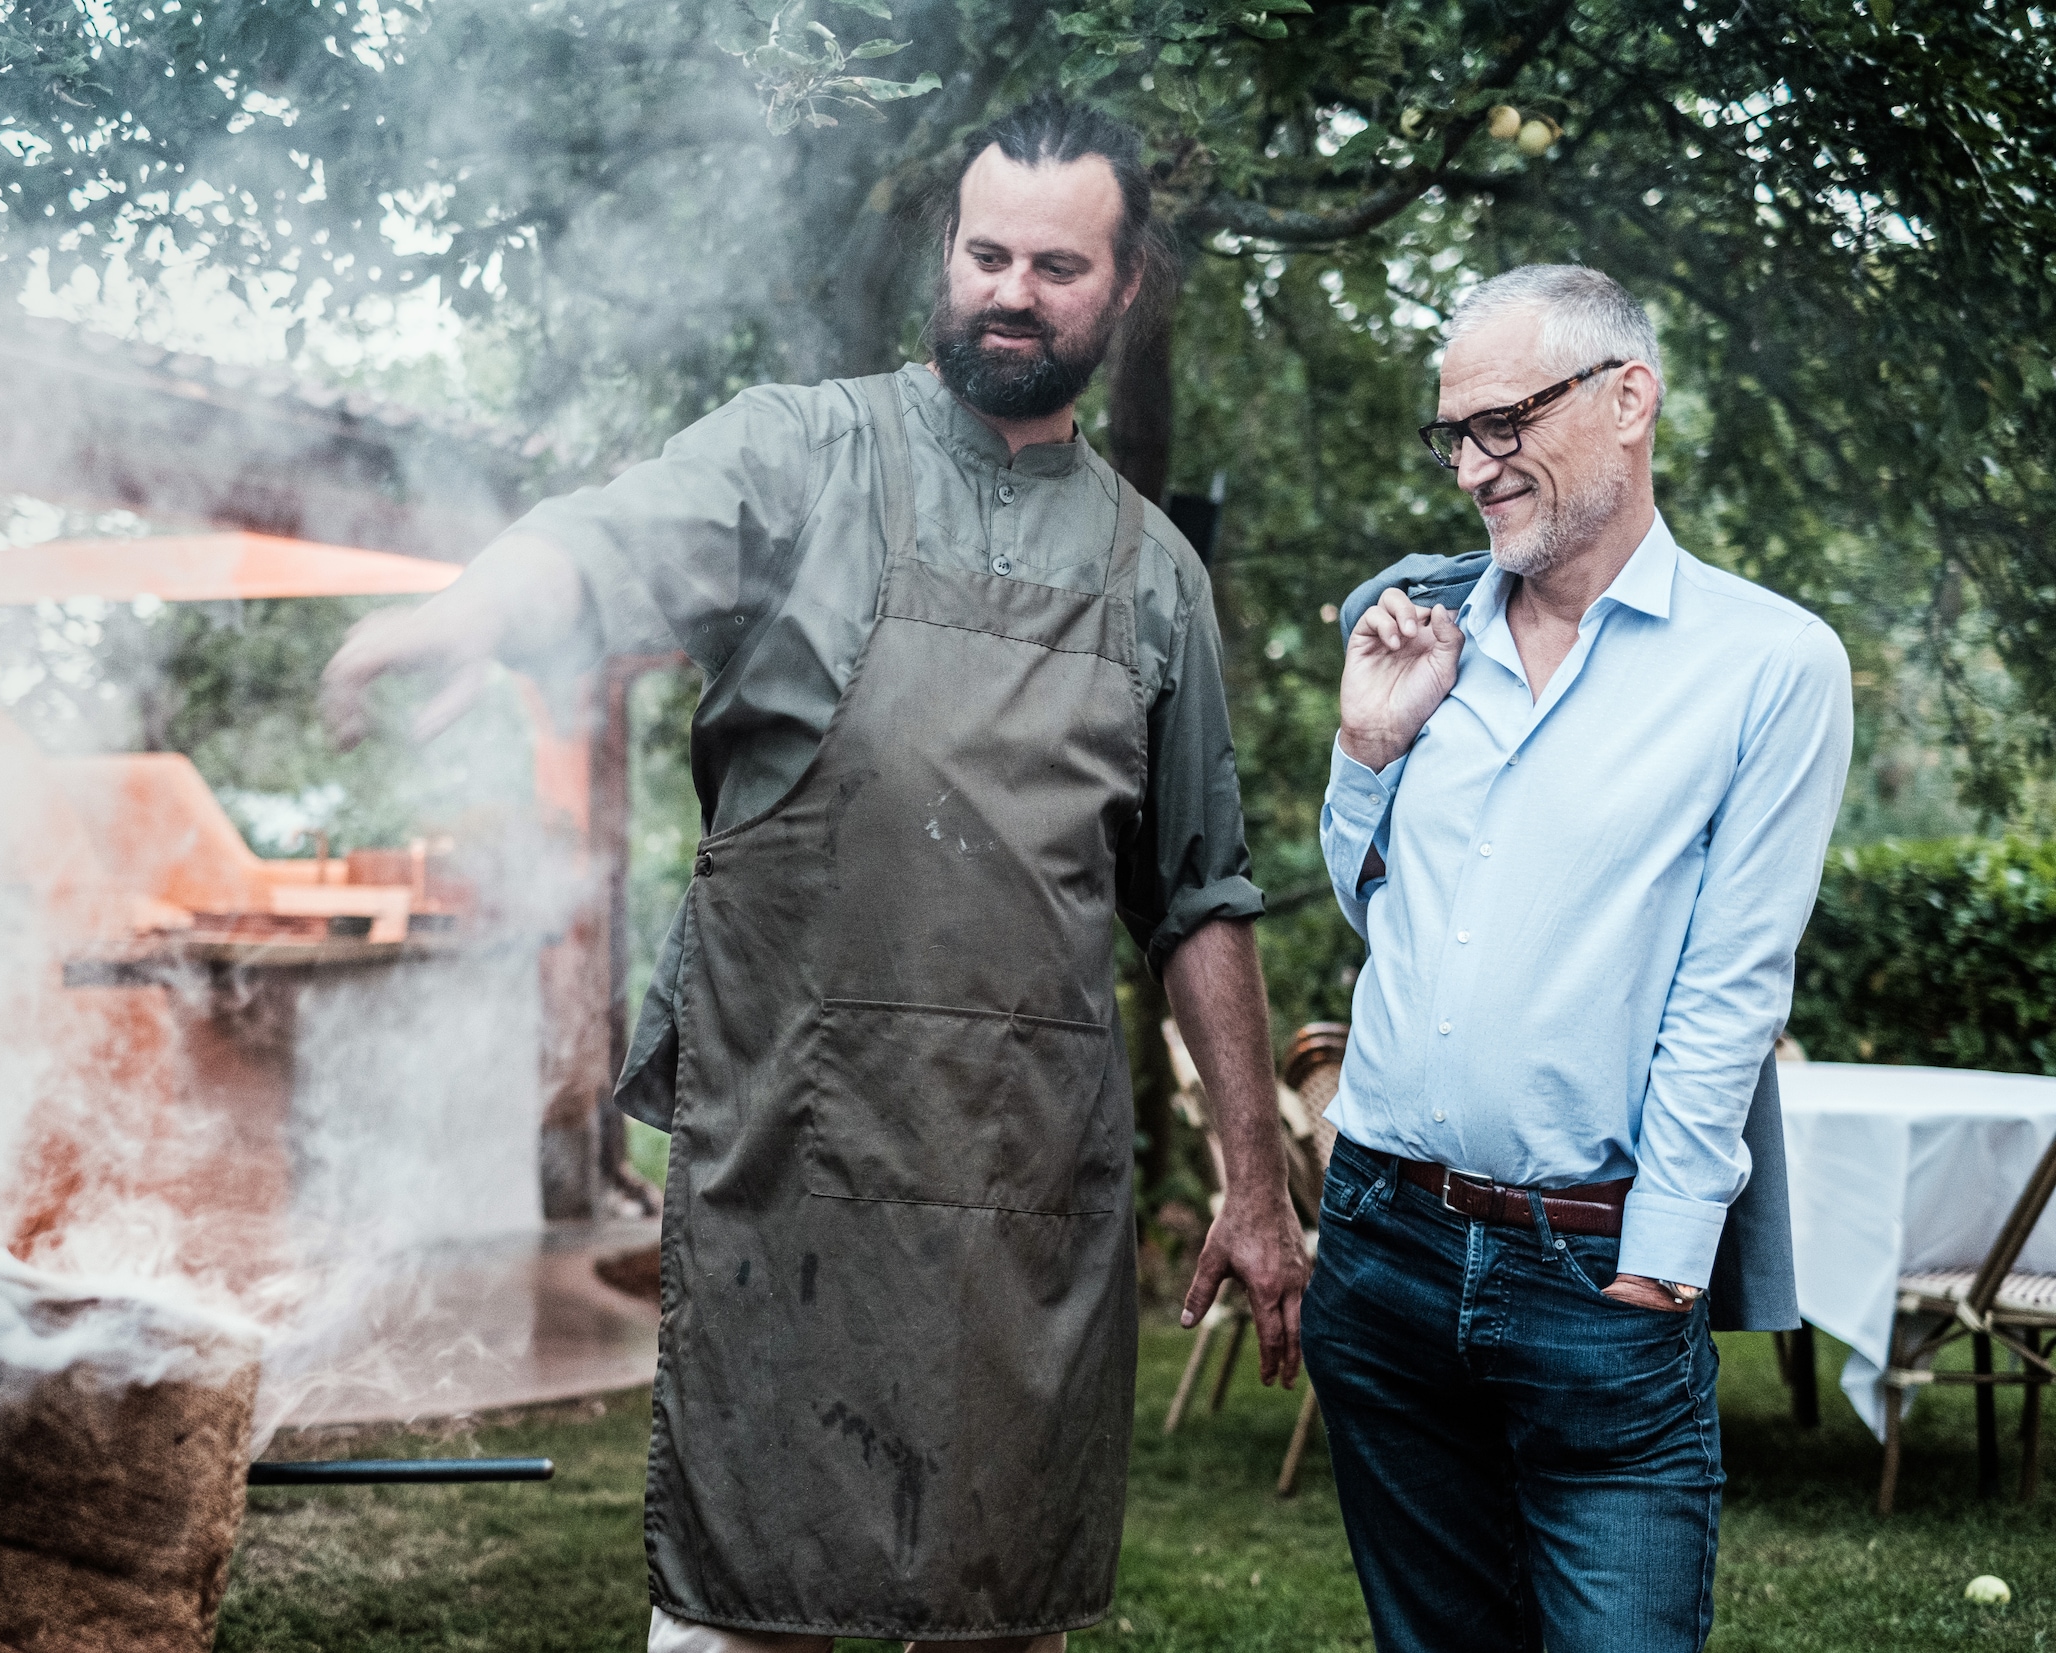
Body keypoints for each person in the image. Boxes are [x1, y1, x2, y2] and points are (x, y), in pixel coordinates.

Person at [320, 94, 1308, 1653]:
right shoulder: (799, 455)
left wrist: (1256, 1183)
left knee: (996, 1616)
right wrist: (481, 604)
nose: (1012, 289)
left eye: (1058, 266)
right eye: (987, 251)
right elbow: (618, 533)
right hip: (795, 1165)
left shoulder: (1153, 577)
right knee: (749, 1604)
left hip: (1023, 1203)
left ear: (1122, 292)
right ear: (948, 254)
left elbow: (1198, 898)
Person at [1304, 264, 1854, 1652]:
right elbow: (1383, 921)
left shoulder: (1769, 666)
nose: (1476, 470)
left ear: (1630, 400)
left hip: (1595, 1270)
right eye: (1455, 437)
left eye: (1506, 423)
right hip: (1385, 1252)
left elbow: (1730, 991)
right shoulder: (1424, 632)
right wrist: (1367, 750)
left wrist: (1661, 1264)